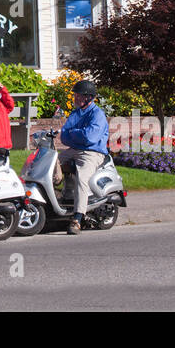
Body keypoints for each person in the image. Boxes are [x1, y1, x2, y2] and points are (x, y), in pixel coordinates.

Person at [59, 79, 110, 235]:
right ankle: (58, 198)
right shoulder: (75, 113)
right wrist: (76, 134)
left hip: (92, 152)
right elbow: (63, 137)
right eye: (75, 95)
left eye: (79, 95)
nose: (75, 98)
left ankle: (77, 218)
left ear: (88, 97)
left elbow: (90, 138)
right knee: (49, 163)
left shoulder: (97, 115)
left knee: (82, 179)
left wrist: (73, 133)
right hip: (73, 149)